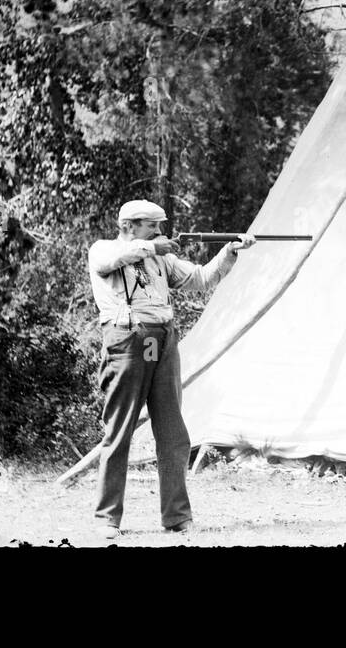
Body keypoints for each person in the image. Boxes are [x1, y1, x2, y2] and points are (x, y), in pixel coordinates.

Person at [87, 199, 254, 537]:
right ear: (129, 226)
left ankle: (176, 516)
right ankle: (107, 518)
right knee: (119, 431)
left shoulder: (161, 258)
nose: (160, 233)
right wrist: (150, 246)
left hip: (164, 339)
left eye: (160, 227)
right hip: (127, 338)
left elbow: (200, 278)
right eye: (153, 226)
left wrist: (229, 253)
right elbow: (112, 261)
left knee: (174, 435)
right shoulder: (104, 249)